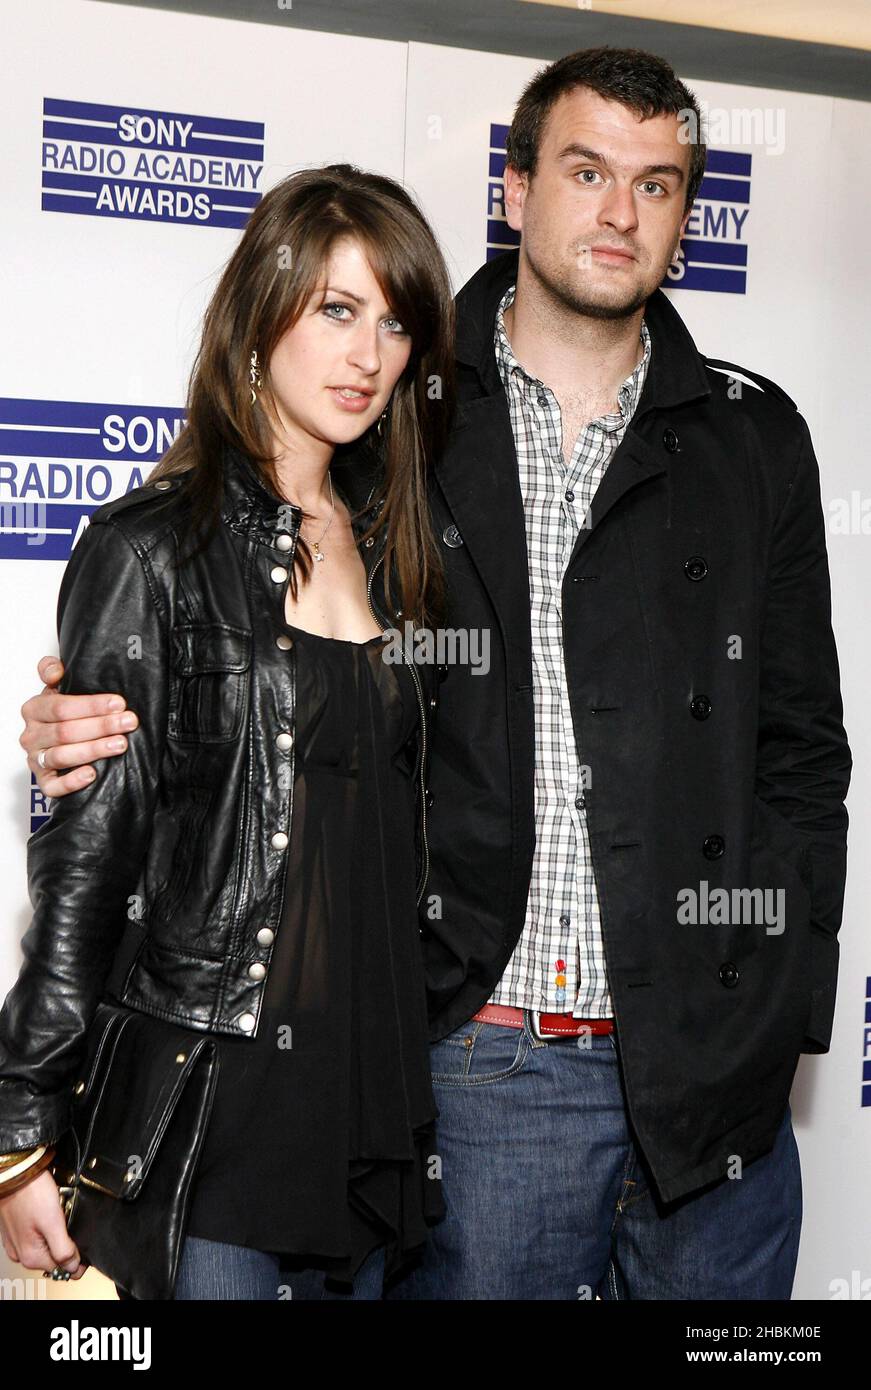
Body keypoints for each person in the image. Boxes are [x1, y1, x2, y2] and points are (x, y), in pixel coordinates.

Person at [18, 46, 851, 1301]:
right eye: (583, 171)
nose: (619, 212)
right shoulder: (406, 422)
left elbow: (801, 750)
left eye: (659, 184)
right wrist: (92, 721)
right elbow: (242, 629)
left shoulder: (752, 435)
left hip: (709, 1082)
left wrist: (774, 1000)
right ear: (512, 191)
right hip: (473, 1072)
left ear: (689, 212)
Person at [0, 163, 457, 1300]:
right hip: (212, 1104)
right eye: (337, 311)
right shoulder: (150, 548)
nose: (369, 355)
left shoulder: (403, 550)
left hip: (370, 1100)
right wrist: (16, 1131)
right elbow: (84, 860)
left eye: (394, 323)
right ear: (261, 316)